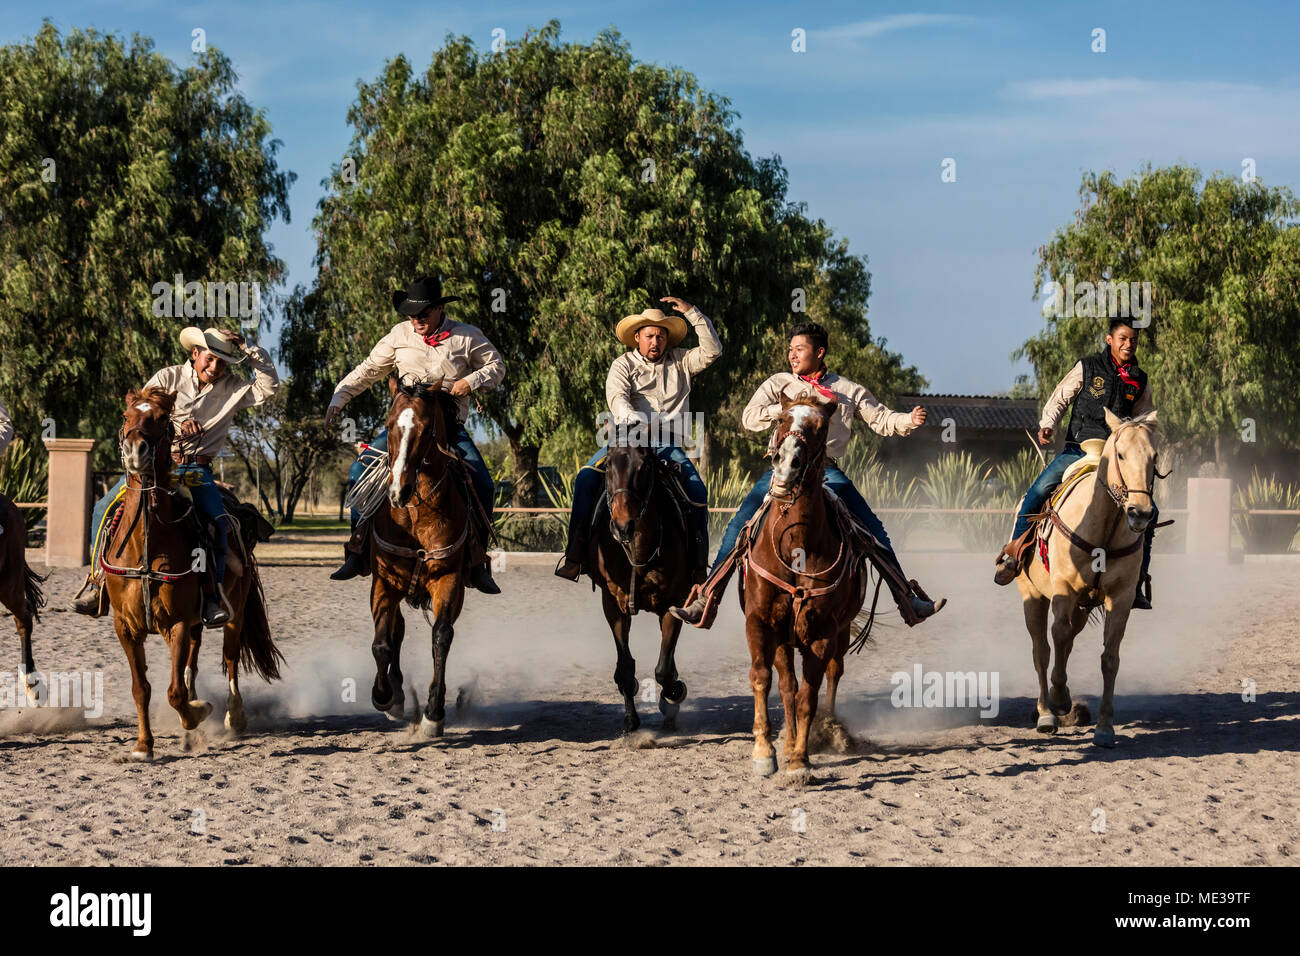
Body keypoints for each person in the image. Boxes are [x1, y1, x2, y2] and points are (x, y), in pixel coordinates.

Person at [670, 321, 945, 628]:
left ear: (820, 352)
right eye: (790, 349)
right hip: (783, 468)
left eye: (799, 349)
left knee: (874, 531)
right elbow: (749, 417)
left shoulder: (847, 389)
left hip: (826, 471)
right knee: (739, 526)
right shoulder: (779, 383)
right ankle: (707, 598)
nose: (792, 355)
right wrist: (786, 411)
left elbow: (879, 418)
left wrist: (908, 420)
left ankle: (907, 600)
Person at [74, 327, 279, 625]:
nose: (215, 367)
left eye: (222, 362)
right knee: (102, 509)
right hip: (158, 467)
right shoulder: (167, 378)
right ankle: (97, 582)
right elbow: (142, 411)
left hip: (196, 470)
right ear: (195, 353)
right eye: (210, 359)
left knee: (218, 522)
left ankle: (211, 596)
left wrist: (250, 350)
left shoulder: (234, 388)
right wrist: (177, 425)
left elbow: (269, 386)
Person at [325, 276, 504, 593]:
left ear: (438, 309)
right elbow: (369, 369)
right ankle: (357, 549)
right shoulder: (398, 336)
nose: (416, 320)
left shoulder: (467, 336)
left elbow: (496, 366)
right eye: (411, 314)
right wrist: (339, 397)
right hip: (406, 425)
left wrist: (470, 382)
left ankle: (476, 559)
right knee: (358, 469)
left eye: (422, 313)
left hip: (447, 427)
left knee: (483, 483)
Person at [993, 316, 1158, 607]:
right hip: (1078, 449)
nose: (1128, 344)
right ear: (1110, 340)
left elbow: (1143, 421)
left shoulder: (1140, 380)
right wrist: (1048, 424)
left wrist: (1141, 444)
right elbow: (1060, 398)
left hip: (1117, 458)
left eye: (1133, 340)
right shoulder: (1087, 366)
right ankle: (1014, 554)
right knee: (1038, 491)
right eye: (1123, 338)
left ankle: (1137, 581)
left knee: (1150, 510)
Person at [554, 297, 721, 583]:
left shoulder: (681, 360)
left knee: (696, 491)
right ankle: (575, 554)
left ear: (667, 339)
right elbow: (618, 398)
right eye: (649, 336)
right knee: (585, 479)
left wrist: (693, 314)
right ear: (636, 338)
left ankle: (696, 566)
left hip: (667, 442)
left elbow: (713, 351)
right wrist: (635, 421)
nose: (655, 341)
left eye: (660, 335)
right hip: (629, 439)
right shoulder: (622, 364)